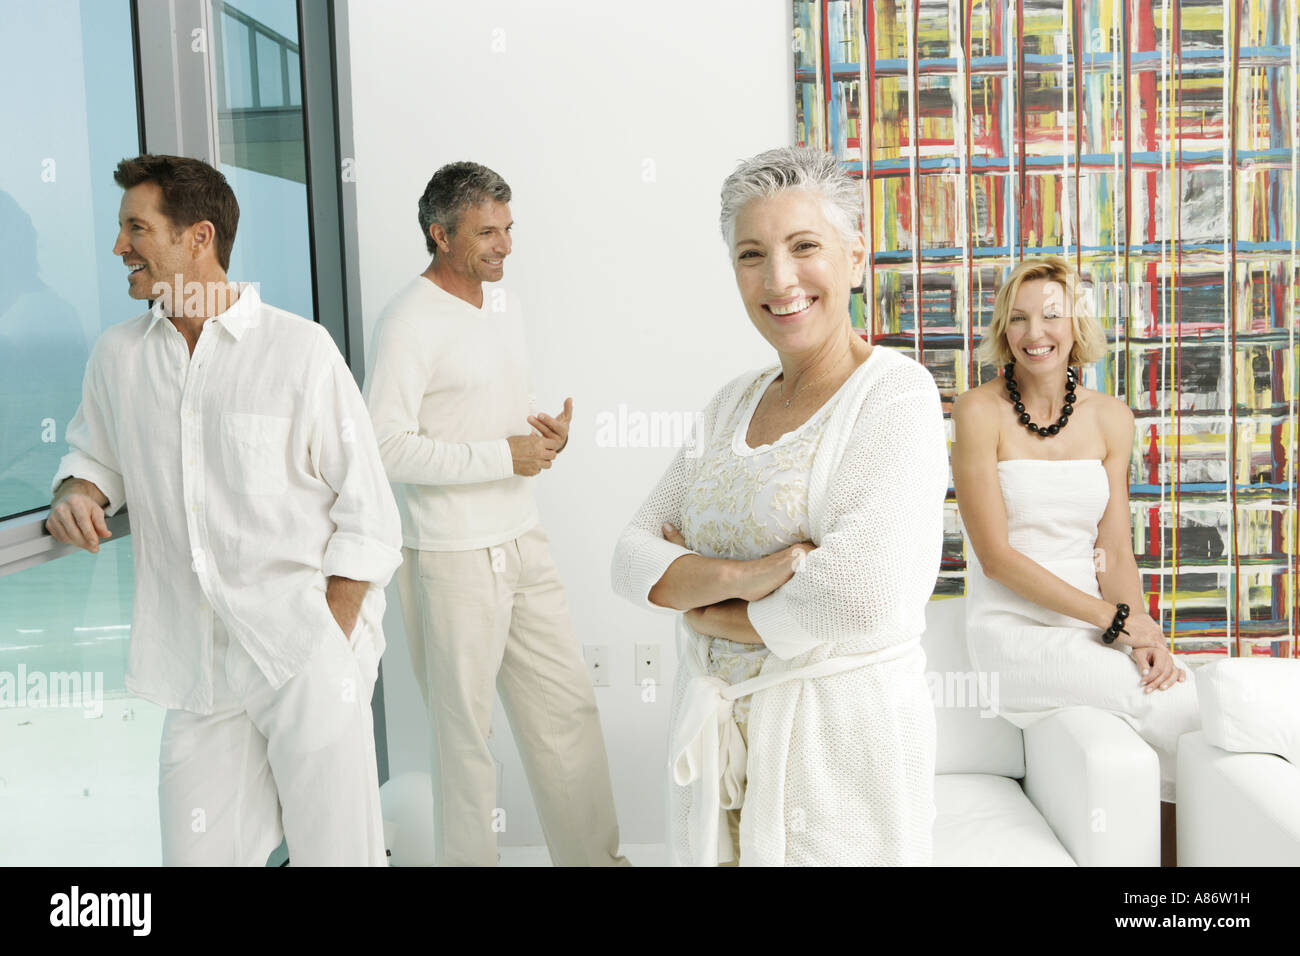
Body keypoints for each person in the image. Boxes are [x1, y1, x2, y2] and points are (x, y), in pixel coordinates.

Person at [45, 154, 402, 866]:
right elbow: (96, 458)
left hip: (305, 651)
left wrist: (324, 638)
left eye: (136, 228)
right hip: (197, 667)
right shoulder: (117, 358)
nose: (119, 247)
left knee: (340, 855)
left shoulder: (300, 351)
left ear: (198, 238)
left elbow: (370, 516)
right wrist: (75, 491)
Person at [610, 146, 947, 866]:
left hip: (835, 753)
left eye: (804, 247)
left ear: (856, 256)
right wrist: (750, 575)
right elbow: (632, 556)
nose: (779, 279)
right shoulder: (732, 401)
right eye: (752, 254)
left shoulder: (896, 396)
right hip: (719, 744)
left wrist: (703, 605)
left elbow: (860, 594)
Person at [365, 161, 627, 867]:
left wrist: (546, 440)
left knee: (566, 713)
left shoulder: (503, 307)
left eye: (509, 229)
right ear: (439, 234)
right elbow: (383, 448)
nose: (505, 245)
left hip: (522, 539)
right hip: (451, 557)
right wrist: (499, 457)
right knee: (465, 741)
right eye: (487, 232)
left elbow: (492, 423)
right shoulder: (407, 322)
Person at [951, 255, 1200, 866]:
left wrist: (1142, 635)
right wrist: (1116, 624)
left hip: (1092, 628)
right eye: (1018, 319)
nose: (1035, 333)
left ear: (1076, 325)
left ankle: (1177, 876)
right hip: (1013, 639)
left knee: (1176, 691)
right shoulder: (977, 411)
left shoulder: (1111, 416)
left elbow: (1114, 549)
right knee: (1183, 707)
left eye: (1051, 316)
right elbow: (998, 558)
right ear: (1004, 331)